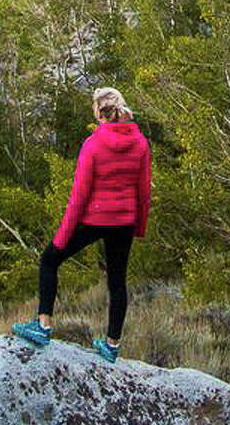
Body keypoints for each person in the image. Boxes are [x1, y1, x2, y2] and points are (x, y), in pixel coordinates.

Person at [11, 86, 152, 363]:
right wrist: (140, 227)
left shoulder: (93, 144)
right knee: (117, 282)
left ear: (99, 114)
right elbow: (144, 191)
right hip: (124, 220)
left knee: (49, 260)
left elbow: (79, 196)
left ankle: (43, 326)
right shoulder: (140, 143)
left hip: (95, 218)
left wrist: (62, 237)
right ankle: (111, 345)